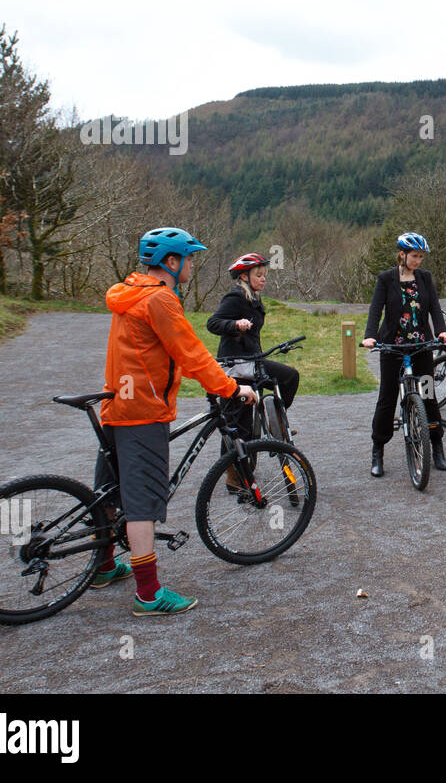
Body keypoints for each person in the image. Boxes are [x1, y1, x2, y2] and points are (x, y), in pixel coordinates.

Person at [95, 227, 257, 616]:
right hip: (144, 411)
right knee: (142, 505)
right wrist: (232, 388)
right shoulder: (160, 300)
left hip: (117, 403)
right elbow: (192, 355)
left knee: (108, 492)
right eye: (189, 259)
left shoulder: (129, 293)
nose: (192, 266)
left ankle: (102, 566)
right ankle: (148, 595)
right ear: (171, 262)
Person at [362, 232, 446, 476]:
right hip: (393, 346)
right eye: (414, 256)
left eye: (421, 257)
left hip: (421, 344)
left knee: (428, 395)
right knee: (387, 398)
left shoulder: (424, 278)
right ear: (401, 255)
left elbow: (434, 307)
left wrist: (442, 332)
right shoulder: (386, 279)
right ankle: (377, 450)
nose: (418, 261)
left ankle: (437, 446)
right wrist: (370, 336)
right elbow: (375, 309)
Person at [206, 253, 301, 478]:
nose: (263, 279)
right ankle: (234, 475)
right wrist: (234, 324)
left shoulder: (253, 297)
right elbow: (213, 323)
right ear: (244, 276)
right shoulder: (236, 296)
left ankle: (277, 422)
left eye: (265, 275)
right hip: (235, 367)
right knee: (239, 423)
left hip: (253, 362)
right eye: (259, 275)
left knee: (289, 377)